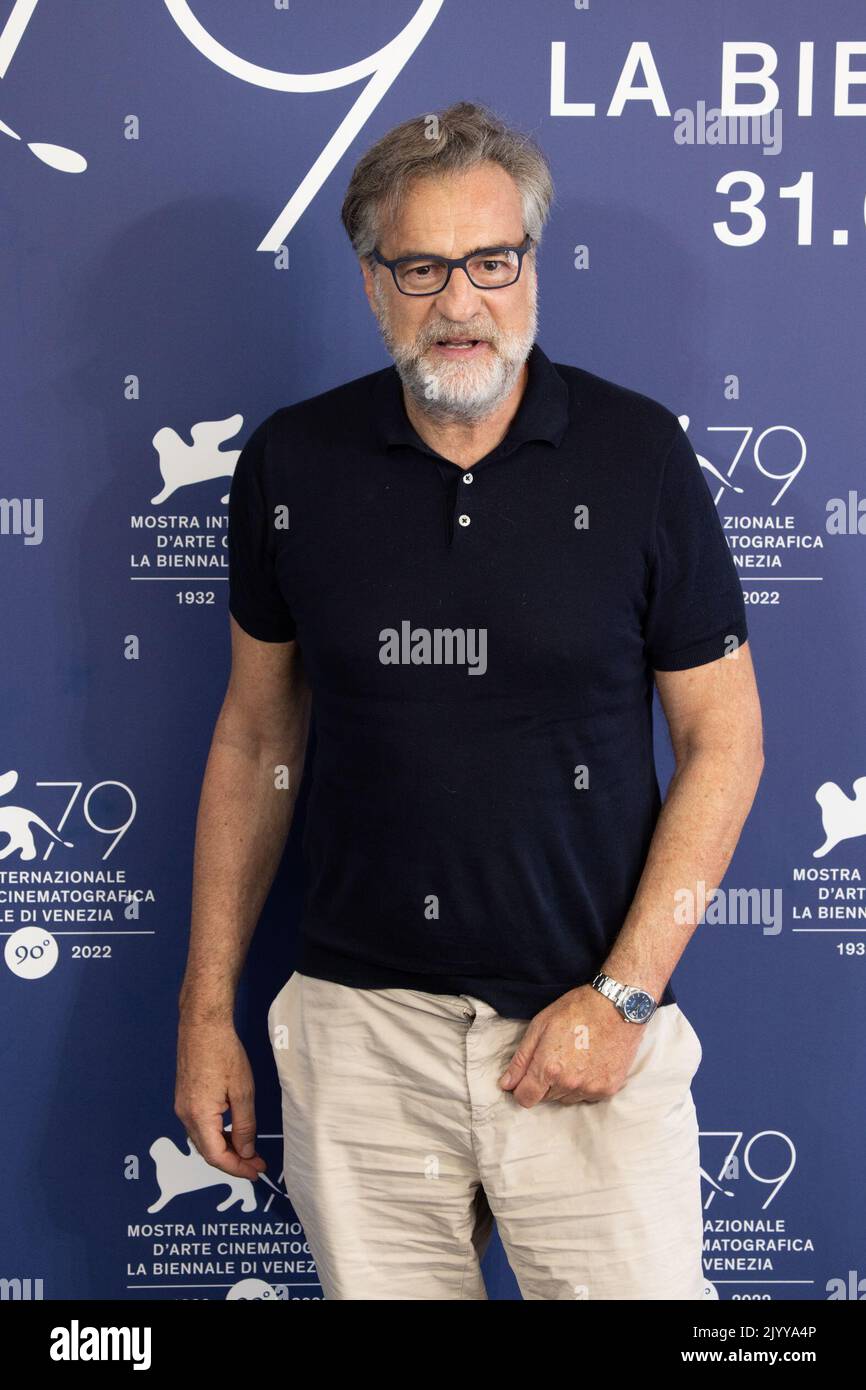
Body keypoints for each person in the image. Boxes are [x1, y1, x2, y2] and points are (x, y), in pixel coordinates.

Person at [175, 100, 764, 1300]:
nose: (460, 302)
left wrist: (621, 993)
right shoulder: (292, 464)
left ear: (529, 266)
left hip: (587, 1022)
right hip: (359, 1038)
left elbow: (726, 741)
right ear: (370, 280)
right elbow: (254, 737)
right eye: (422, 266)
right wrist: (206, 1006)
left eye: (490, 262)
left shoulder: (639, 454)